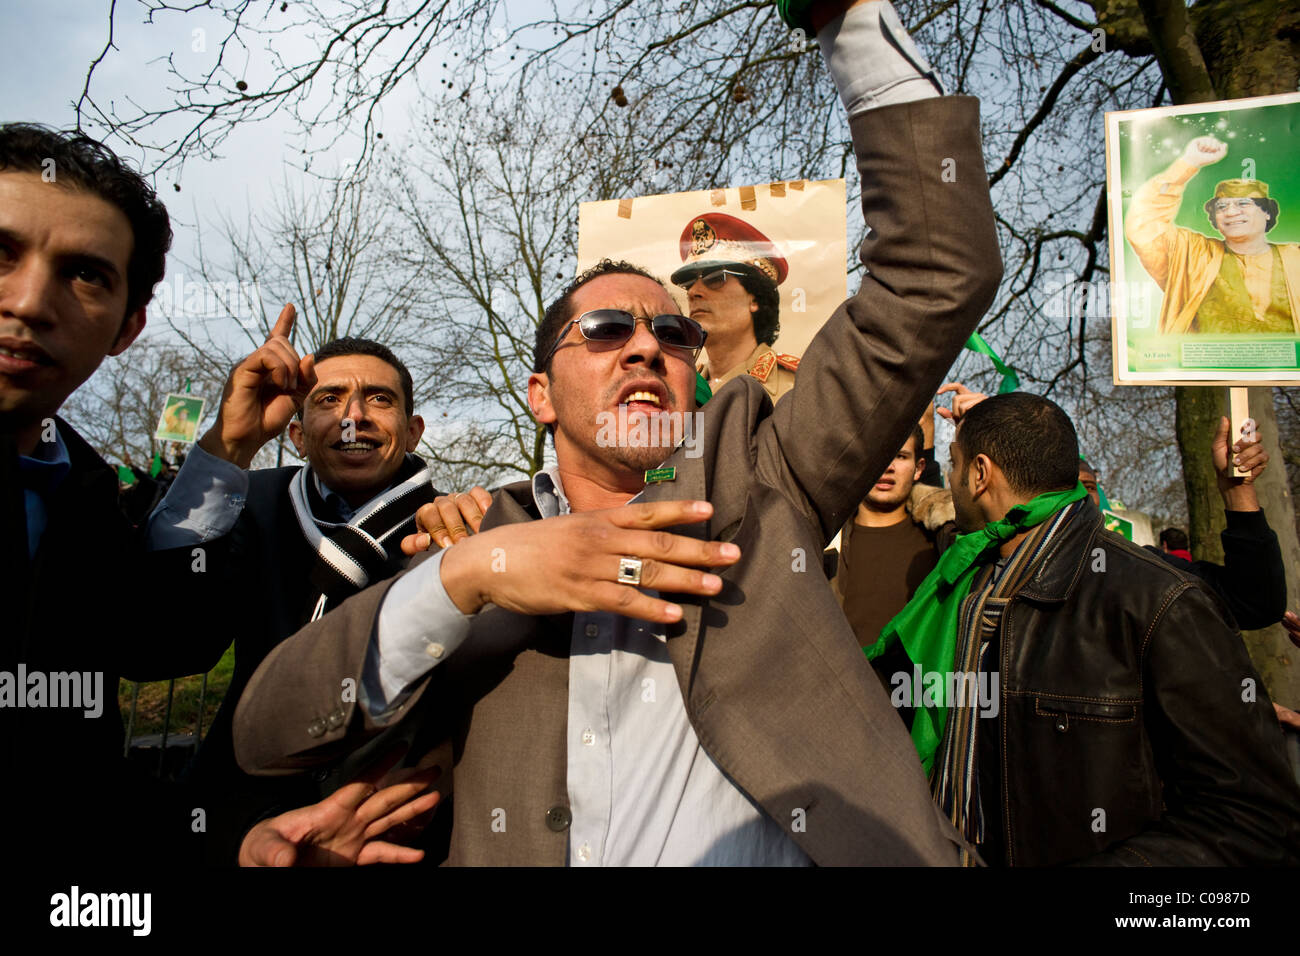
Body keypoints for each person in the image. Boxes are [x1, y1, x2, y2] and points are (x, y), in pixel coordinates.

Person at [232, 0, 1002, 866]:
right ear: (540, 396)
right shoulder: (472, 541)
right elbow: (266, 734)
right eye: (604, 333)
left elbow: (939, 273)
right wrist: (471, 574)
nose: (646, 345)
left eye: (674, 336)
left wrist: (849, 17)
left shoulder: (761, 480)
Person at [866, 390, 1300, 865]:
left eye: (953, 464)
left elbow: (1251, 818)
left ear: (979, 474)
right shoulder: (961, 582)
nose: (946, 478)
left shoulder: (1157, 598)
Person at [146, 329, 481, 864]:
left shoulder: (458, 531)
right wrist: (229, 448)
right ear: (298, 436)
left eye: (379, 398)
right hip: (238, 816)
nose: (355, 416)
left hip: (397, 826)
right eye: (329, 399)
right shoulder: (244, 503)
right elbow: (166, 640)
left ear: (413, 431)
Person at [1124, 134, 1300, 335]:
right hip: (1202, 365)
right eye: (1222, 206)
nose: (1231, 212)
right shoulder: (1192, 254)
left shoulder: (1295, 257)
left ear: (1267, 212)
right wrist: (1188, 163)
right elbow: (1143, 224)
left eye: (1243, 203)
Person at [670, 212, 800, 402]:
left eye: (715, 278)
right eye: (688, 283)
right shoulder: (680, 387)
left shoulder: (798, 385)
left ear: (755, 298)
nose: (694, 291)